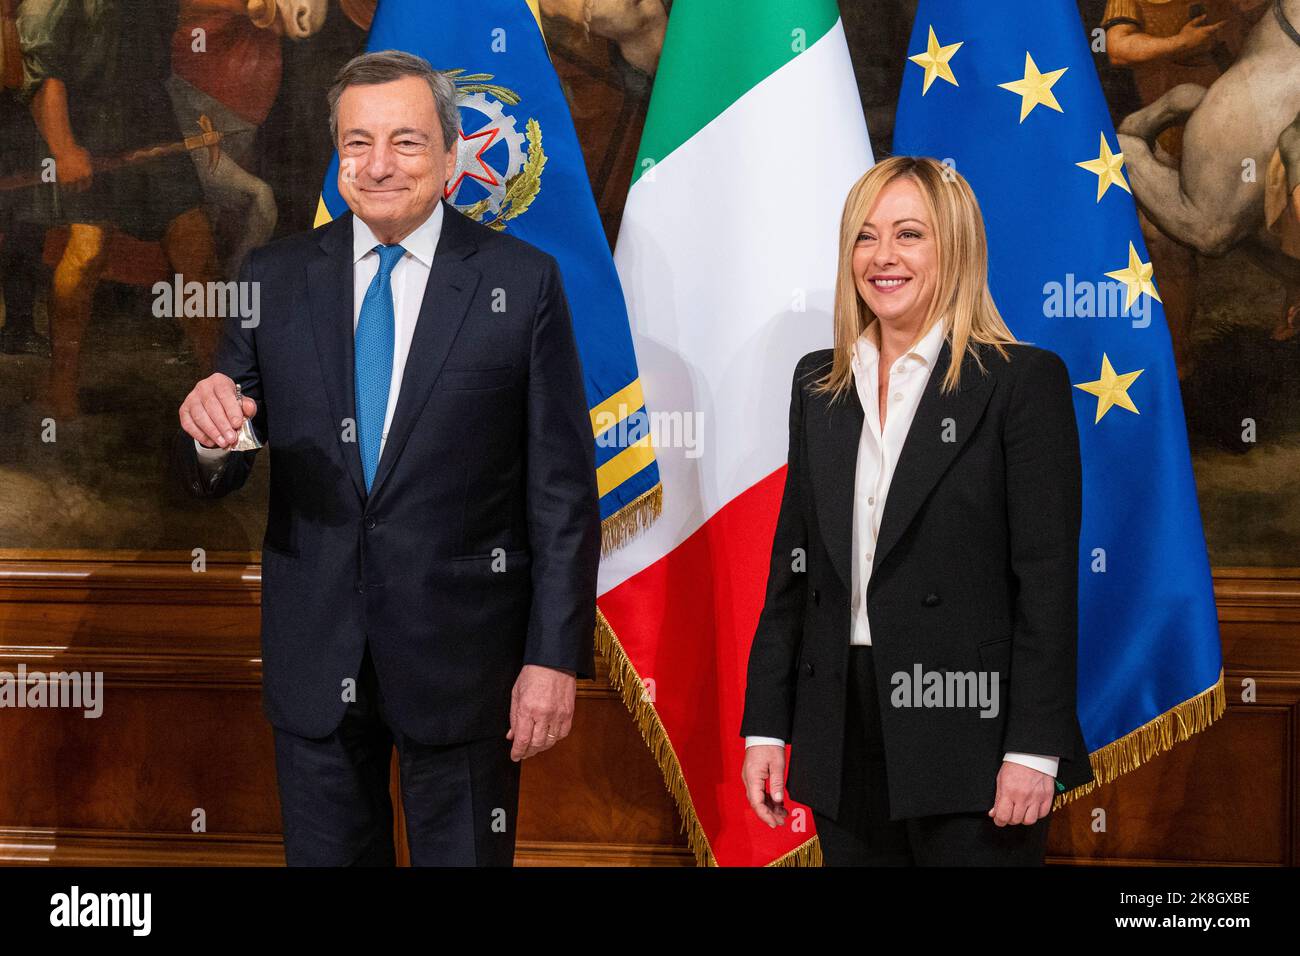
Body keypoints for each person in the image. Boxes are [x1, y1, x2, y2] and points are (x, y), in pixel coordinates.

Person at [173, 50, 601, 866]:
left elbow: (561, 495)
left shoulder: (521, 282)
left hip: (467, 670)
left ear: (451, 158)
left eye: (405, 142)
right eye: (356, 142)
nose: (377, 165)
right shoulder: (274, 277)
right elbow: (224, 452)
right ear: (337, 156)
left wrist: (551, 658)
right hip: (314, 661)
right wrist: (207, 431)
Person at [739, 156, 1094, 866]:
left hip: (972, 734)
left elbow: (1046, 587)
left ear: (954, 247)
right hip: (842, 730)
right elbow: (795, 572)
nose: (883, 257)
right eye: (865, 237)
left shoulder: (1021, 382)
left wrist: (1032, 748)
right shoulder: (819, 382)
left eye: (909, 234)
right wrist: (767, 729)